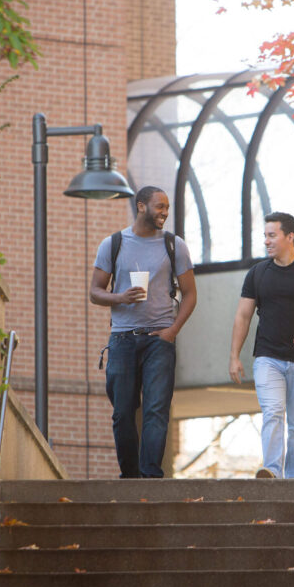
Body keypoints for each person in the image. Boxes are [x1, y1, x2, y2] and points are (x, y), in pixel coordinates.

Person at [90, 186, 197, 478]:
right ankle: (129, 477)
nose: (164, 212)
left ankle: (150, 476)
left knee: (156, 410)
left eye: (167, 208)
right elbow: (95, 292)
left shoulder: (174, 245)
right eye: (159, 206)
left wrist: (172, 331)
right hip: (122, 338)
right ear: (140, 206)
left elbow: (190, 294)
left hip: (159, 340)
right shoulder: (113, 244)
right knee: (123, 412)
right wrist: (120, 297)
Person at [228, 212, 294, 479]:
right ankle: (272, 471)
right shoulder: (257, 273)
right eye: (265, 236)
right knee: (273, 412)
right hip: (268, 358)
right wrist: (234, 356)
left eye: (272, 235)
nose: (266, 241)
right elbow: (242, 316)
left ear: (290, 237)